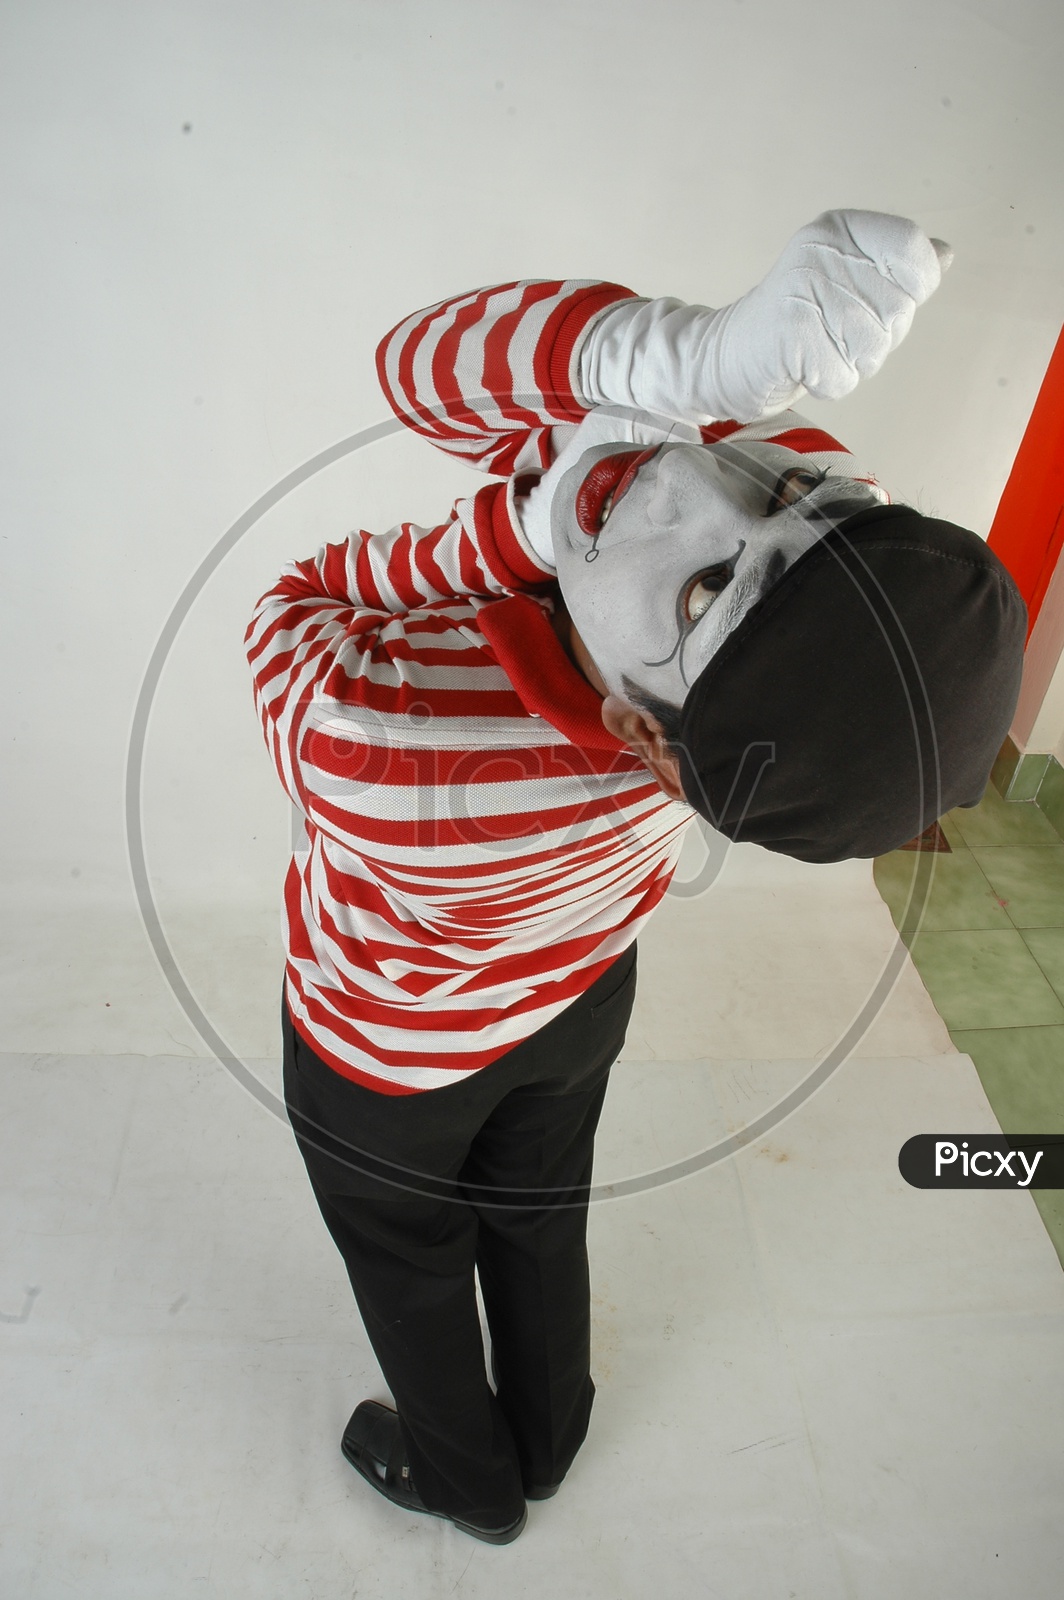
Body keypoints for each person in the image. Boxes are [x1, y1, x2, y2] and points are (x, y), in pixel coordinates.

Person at [245, 211, 1025, 1544]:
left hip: (386, 1063)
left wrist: (520, 522)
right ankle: (551, 1431)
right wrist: (695, 374)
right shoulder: (787, 607)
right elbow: (441, 384)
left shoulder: (387, 737)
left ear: (649, 742)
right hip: (577, 1000)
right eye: (790, 493)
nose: (702, 482)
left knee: (412, 1264)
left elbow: (305, 588)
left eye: (708, 588)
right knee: (540, 1221)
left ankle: (472, 1485)